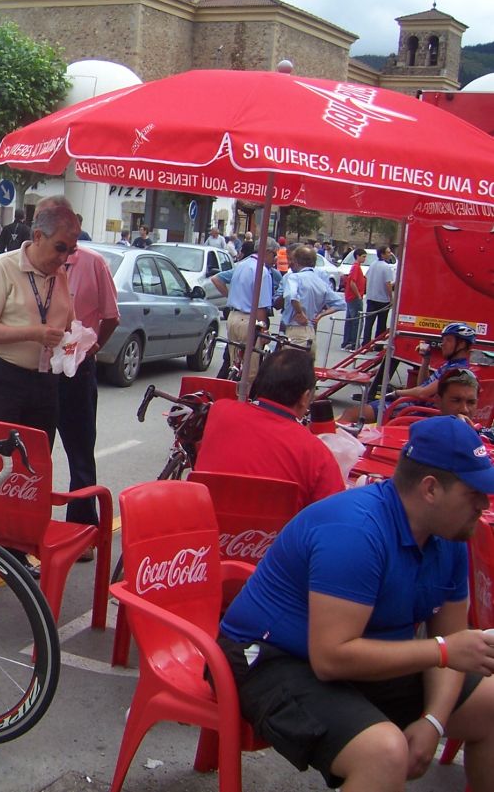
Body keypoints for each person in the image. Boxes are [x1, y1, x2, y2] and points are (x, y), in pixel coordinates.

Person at [218, 416, 494, 792]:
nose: (484, 503)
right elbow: (332, 659)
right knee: (383, 753)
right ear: (430, 489)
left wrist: (434, 722)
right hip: (271, 657)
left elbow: (450, 643)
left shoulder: (450, 534)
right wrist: (442, 651)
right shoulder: (355, 532)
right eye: (474, 492)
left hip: (360, 656)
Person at [0, 201, 77, 443]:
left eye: (70, 251)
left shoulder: (60, 274)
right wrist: (34, 333)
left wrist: (75, 342)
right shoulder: (3, 266)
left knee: (36, 461)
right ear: (38, 236)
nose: (63, 258)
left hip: (46, 380)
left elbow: (69, 324)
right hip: (3, 378)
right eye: (59, 247)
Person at [195, 348, 345, 510]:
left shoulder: (219, 411)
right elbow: (335, 516)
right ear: (304, 397)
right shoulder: (316, 453)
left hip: (203, 525)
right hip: (275, 534)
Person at [56, 208, 119, 536]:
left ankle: (81, 528)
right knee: (33, 454)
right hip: (41, 368)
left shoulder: (94, 263)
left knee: (80, 453)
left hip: (77, 369)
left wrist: (94, 347)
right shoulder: (36, 260)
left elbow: (111, 316)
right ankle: (23, 530)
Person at [341, 322, 475, 424]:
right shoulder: (451, 365)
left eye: (448, 340)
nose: (443, 344)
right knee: (352, 413)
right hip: (412, 405)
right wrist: (426, 360)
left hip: (414, 409)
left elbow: (423, 393)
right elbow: (423, 385)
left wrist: (397, 393)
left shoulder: (456, 371)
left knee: (351, 415)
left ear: (462, 344)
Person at [225, 236, 279, 385]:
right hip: (249, 321)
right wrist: (263, 330)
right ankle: (241, 402)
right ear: (267, 252)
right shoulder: (262, 271)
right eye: (274, 255)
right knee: (249, 371)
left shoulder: (241, 265)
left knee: (234, 365)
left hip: (233, 317)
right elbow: (261, 307)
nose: (275, 259)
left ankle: (231, 397)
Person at [280, 244, 345, 359]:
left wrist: (299, 312)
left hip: (295, 331)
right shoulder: (320, 282)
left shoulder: (294, 278)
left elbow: (292, 295)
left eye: (292, 260)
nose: (290, 263)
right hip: (311, 333)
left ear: (296, 261)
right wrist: (320, 315)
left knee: (290, 372)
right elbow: (340, 303)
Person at [362, 245, 396, 346]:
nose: (390, 254)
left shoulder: (373, 264)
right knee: (381, 324)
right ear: (382, 254)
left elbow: (367, 277)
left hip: (371, 297)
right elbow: (388, 284)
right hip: (382, 299)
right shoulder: (386, 267)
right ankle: (378, 344)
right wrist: (391, 298)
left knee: (369, 322)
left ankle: (366, 343)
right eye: (388, 252)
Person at [341, 248, 367, 350]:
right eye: (363, 257)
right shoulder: (356, 267)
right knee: (357, 321)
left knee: (350, 320)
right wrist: (358, 295)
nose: (365, 259)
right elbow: (352, 282)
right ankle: (353, 343)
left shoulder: (356, 267)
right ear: (358, 256)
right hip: (354, 298)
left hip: (351, 297)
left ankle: (346, 342)